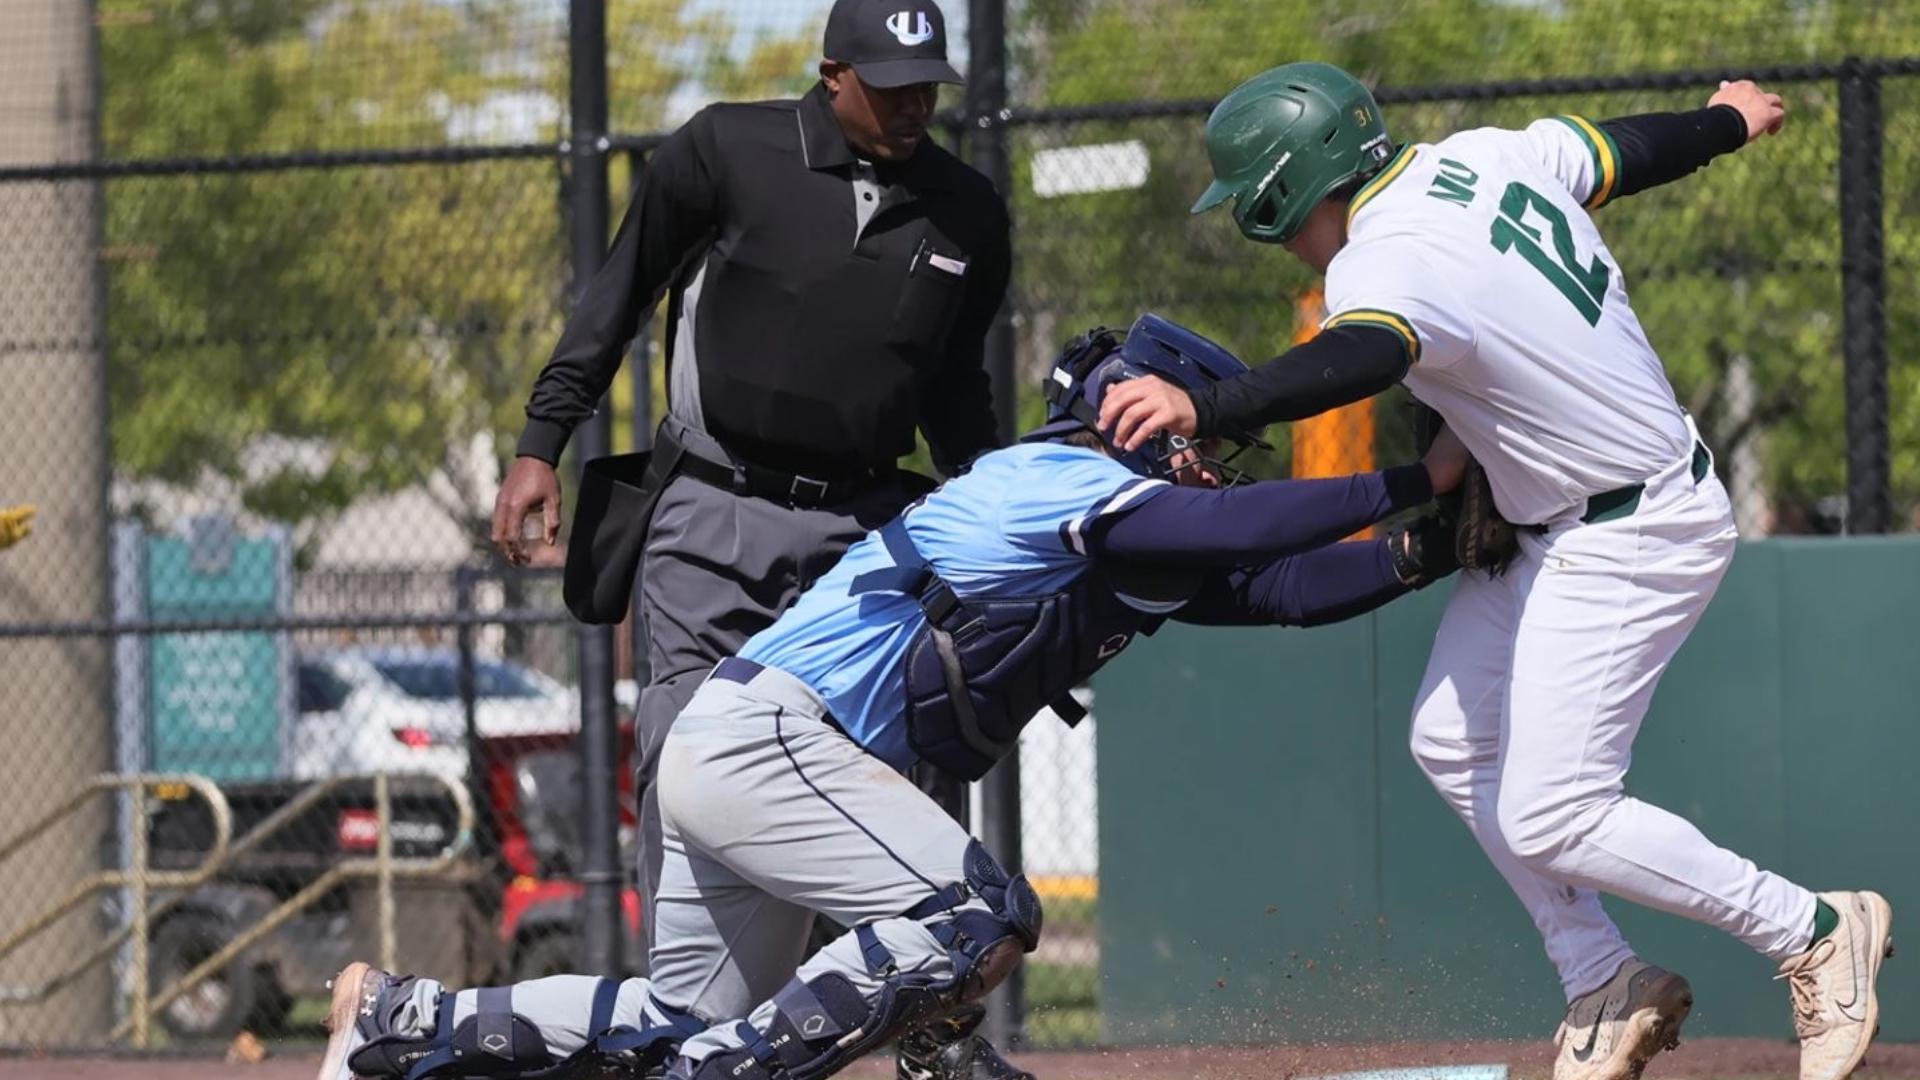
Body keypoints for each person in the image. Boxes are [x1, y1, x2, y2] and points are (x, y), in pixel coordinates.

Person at [318, 313, 1471, 1080]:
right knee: (978, 915)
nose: (1220, 457)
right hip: (772, 743)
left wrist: (1427, 549)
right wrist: (1415, 477)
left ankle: (399, 1021)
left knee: (688, 1016)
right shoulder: (1051, 480)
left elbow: (1270, 588)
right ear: (1138, 414)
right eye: (1210, 431)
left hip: (746, 749)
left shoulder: (1118, 537)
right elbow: (1232, 527)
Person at [1099, 61, 1894, 1080]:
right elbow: (1620, 151)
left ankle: (1815, 929)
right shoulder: (1486, 154)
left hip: (1630, 532)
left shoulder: (1376, 261)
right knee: (1448, 737)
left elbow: (1363, 358)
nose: (1279, 239)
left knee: (1555, 811)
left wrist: (1209, 406)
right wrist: (1723, 122)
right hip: (1554, 523)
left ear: (1285, 193)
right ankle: (1601, 975)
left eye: (1263, 212)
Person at [490, 0, 1010, 1071]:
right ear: (832, 71)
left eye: (928, 84)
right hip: (714, 509)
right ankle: (683, 1027)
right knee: (689, 760)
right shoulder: (728, 147)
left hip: (869, 527)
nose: (915, 102)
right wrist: (542, 441)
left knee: (904, 756)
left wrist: (999, 520)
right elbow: (617, 298)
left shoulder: (968, 209)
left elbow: (957, 393)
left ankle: (938, 1036)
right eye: (888, 78)